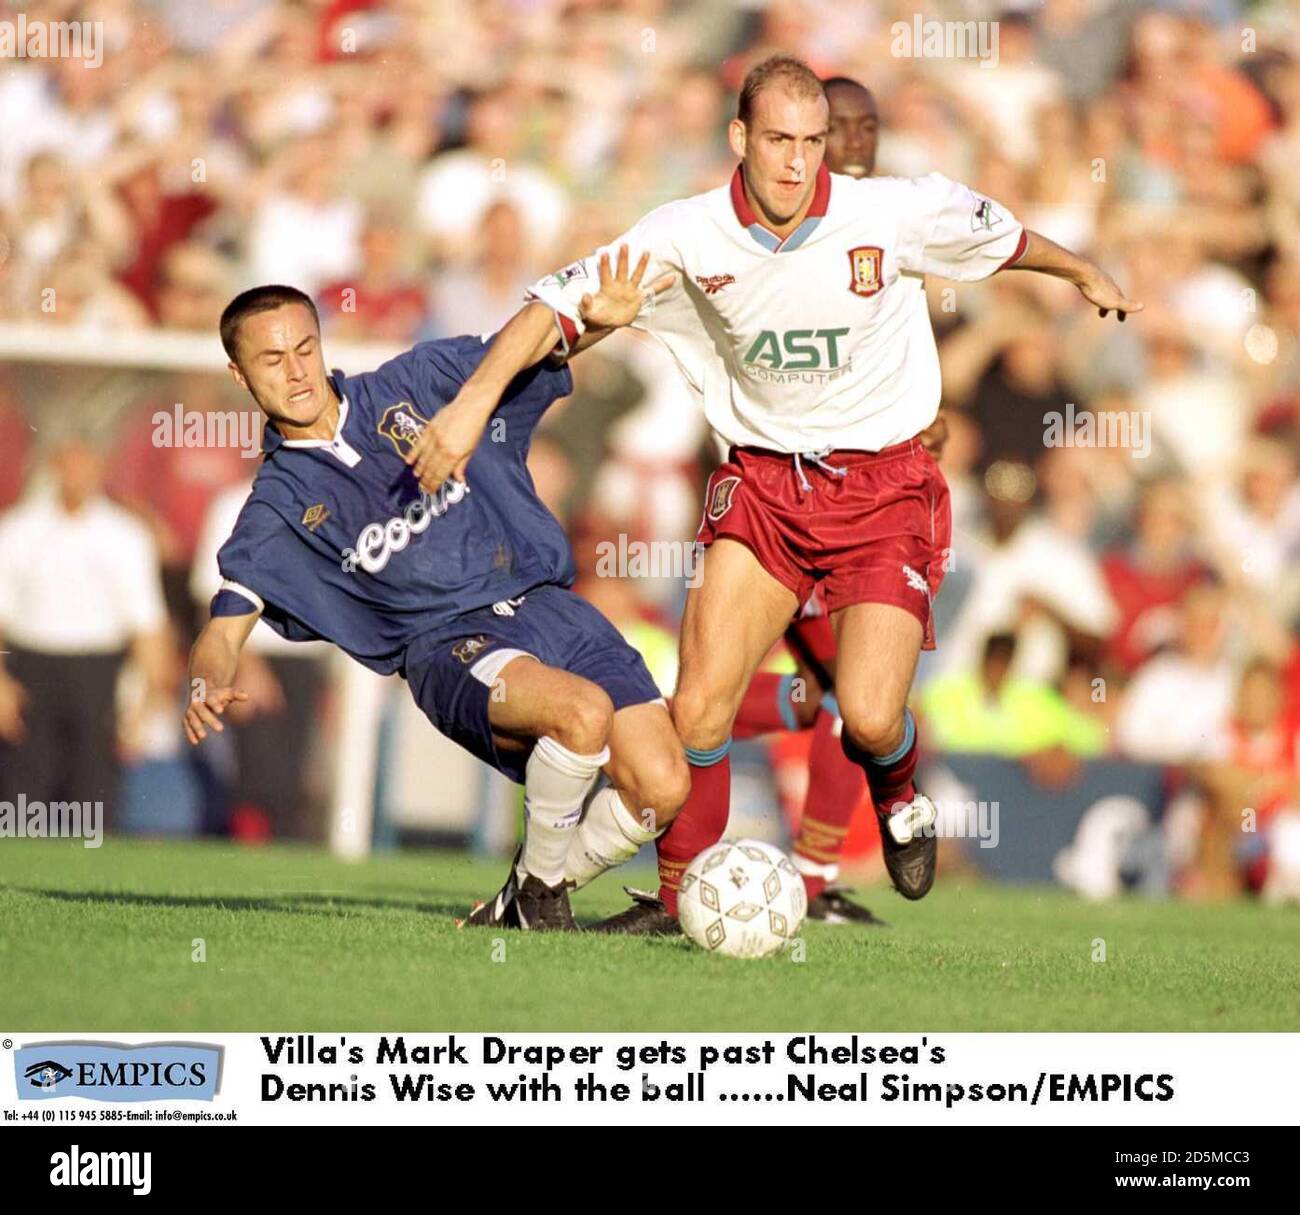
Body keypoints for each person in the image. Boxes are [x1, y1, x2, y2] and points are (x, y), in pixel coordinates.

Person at [408, 54, 1141, 934]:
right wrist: (467, 409)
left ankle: (900, 794)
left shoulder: (886, 211)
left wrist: (1083, 271)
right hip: (763, 484)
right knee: (699, 706)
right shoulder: (685, 232)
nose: (798, 161)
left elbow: (1001, 235)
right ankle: (678, 902)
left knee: (869, 717)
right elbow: (549, 308)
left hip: (884, 489)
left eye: (813, 142)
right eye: (780, 141)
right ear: (740, 139)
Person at [184, 272, 688, 931]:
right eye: (272, 360)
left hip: (546, 604)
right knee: (582, 714)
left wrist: (600, 325)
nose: (298, 372)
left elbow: (534, 329)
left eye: (305, 348)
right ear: (238, 373)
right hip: (449, 646)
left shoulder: (412, 383)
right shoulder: (276, 507)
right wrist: (206, 679)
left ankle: (526, 896)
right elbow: (224, 627)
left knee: (662, 786)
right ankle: (538, 902)